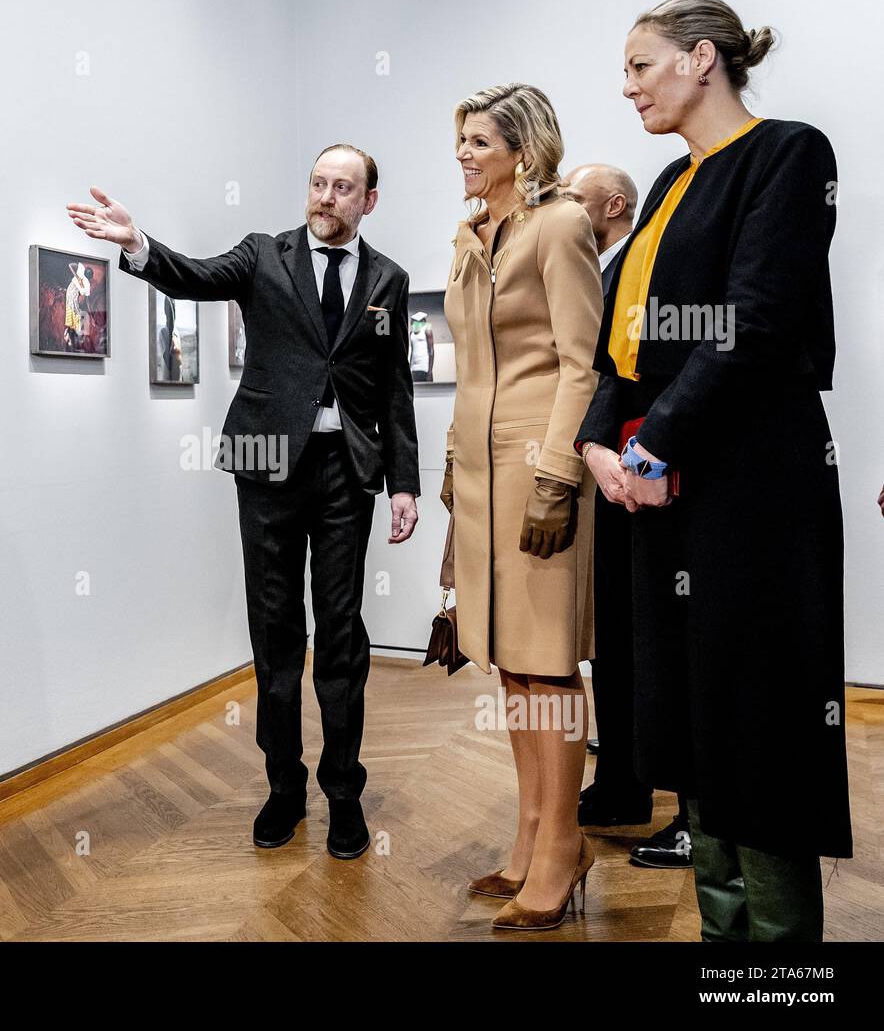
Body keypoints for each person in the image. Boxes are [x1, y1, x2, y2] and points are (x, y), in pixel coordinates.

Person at [574, 0, 851, 941]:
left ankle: (778, 965)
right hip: (661, 498)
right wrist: (599, 441)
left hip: (753, 492)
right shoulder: (665, 184)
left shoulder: (789, 154)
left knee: (759, 726)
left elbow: (756, 324)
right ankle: (722, 945)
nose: (628, 85)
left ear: (701, 61)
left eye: (640, 64)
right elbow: (627, 337)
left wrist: (653, 445)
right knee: (693, 720)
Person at [67, 144, 420, 860]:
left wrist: (404, 481)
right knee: (276, 632)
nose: (326, 196)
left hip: (347, 471)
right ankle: (284, 789)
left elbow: (392, 386)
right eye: (318, 183)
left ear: (368, 201)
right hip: (266, 468)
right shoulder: (264, 255)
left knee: (342, 637)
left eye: (343, 187)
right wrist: (136, 243)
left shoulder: (388, 279)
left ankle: (344, 795)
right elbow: (194, 278)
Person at [441, 84, 603, 930]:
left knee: (546, 662)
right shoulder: (472, 237)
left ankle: (563, 843)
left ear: (523, 149)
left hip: (539, 470)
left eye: (478, 141)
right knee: (508, 663)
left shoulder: (561, 223)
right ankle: (531, 830)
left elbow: (582, 362)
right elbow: (470, 364)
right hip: (479, 475)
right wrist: (449, 465)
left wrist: (555, 476)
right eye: (460, 140)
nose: (463, 153)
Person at [565, 165, 694, 869]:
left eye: (573, 198)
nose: (561, 208)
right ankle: (624, 781)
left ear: (613, 205)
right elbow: (608, 372)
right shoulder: (610, 273)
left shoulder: (652, 262)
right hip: (616, 473)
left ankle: (689, 808)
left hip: (666, 468)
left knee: (666, 640)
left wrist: (648, 448)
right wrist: (592, 446)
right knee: (618, 635)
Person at [408, 311, 433, 381]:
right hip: (414, 367)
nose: (412, 323)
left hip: (424, 366)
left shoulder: (427, 329)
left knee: (426, 390)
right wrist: (409, 367)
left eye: (413, 321)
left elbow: (431, 351)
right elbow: (412, 351)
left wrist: (430, 371)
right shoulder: (411, 333)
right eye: (412, 322)